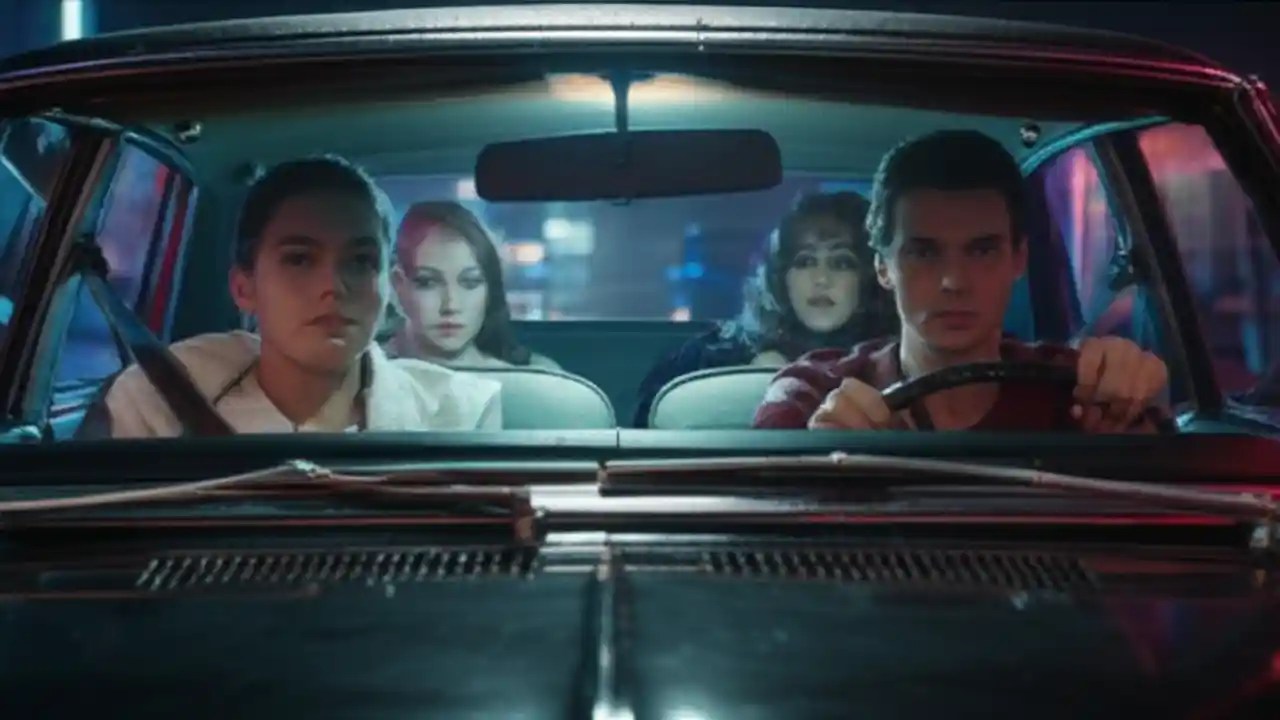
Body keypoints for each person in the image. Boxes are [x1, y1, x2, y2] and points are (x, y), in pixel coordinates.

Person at [753, 130, 1169, 433]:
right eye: (924, 252)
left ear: (1018, 259)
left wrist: (1131, 403)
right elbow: (755, 493)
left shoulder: (1074, 388)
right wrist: (812, 461)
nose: (954, 281)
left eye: (982, 250)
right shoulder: (819, 388)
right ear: (883, 267)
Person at [98, 155, 502, 437]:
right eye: (299, 260)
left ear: (389, 287)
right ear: (244, 288)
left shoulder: (456, 414)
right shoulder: (161, 400)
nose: (334, 286)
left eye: (360, 262)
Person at [633, 192, 896, 426]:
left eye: (841, 263)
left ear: (869, 277)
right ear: (781, 277)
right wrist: (745, 382)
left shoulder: (894, 363)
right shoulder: (716, 355)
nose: (821, 279)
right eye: (805, 261)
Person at [389, 201, 559, 370]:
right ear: (399, 285)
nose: (451, 305)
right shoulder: (369, 375)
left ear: (489, 290)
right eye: (428, 283)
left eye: (470, 283)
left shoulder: (534, 380)